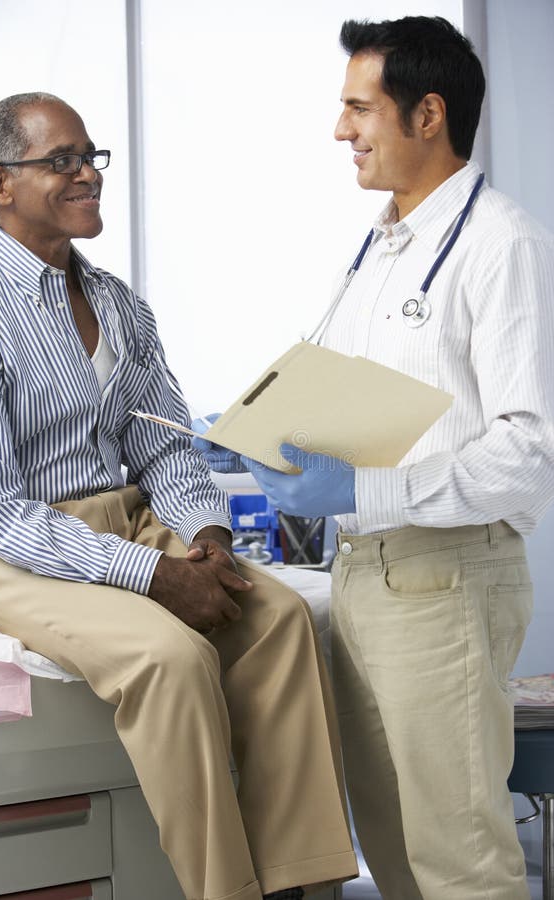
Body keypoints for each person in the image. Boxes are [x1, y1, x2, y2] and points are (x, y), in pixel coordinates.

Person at [0, 92, 359, 900]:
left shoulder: (117, 303)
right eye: (61, 161)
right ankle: (225, 890)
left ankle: (300, 881)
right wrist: (152, 577)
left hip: (130, 517)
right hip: (10, 542)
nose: (87, 175)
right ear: (0, 182)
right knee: (169, 657)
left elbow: (165, 443)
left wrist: (206, 536)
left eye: (91, 157)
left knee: (276, 617)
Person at [193, 15, 554, 900]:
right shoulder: (380, 248)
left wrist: (367, 484)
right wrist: (260, 431)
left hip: (445, 574)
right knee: (390, 853)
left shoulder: (501, 244)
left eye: (359, 108)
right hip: (364, 574)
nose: (340, 130)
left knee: (459, 859)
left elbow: (530, 449)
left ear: (427, 114)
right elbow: (345, 396)